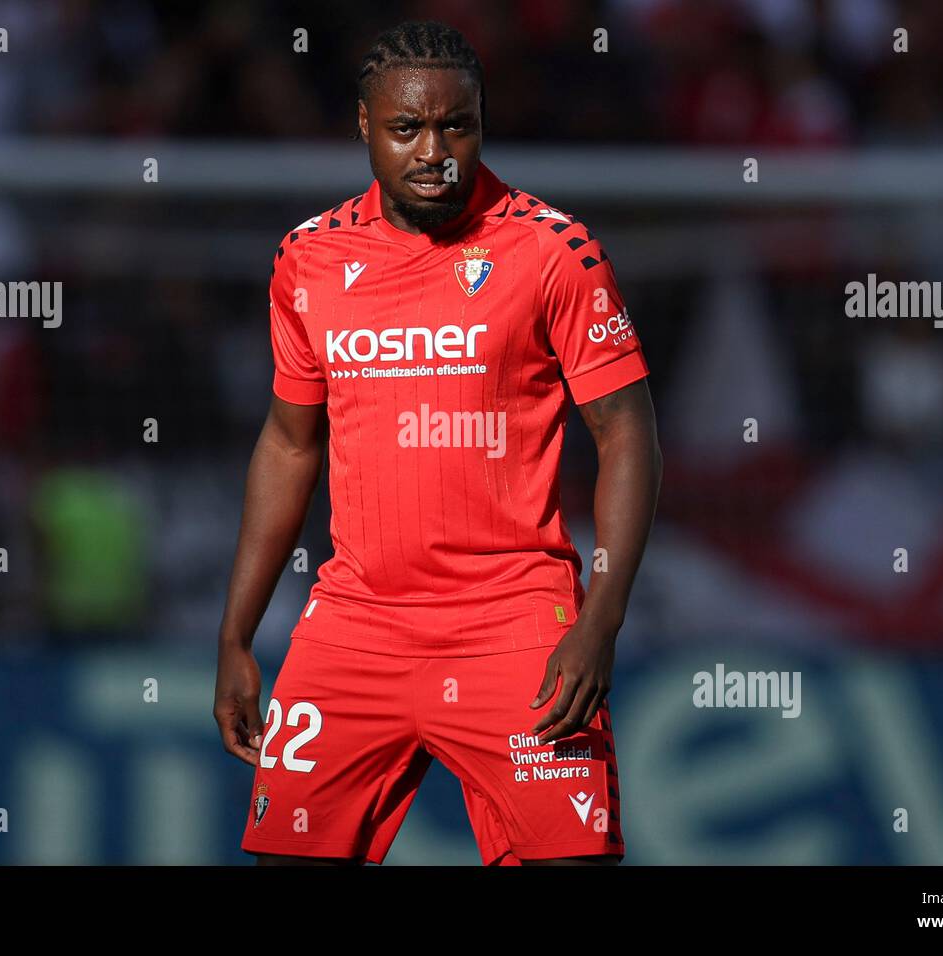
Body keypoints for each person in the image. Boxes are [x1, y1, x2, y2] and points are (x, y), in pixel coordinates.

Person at [214, 20, 661, 866]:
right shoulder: (308, 260)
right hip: (353, 628)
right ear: (362, 126)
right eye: (406, 128)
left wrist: (602, 620)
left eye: (456, 126)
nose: (434, 151)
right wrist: (238, 633)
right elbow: (287, 445)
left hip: (517, 627)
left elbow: (628, 435)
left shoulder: (553, 252)